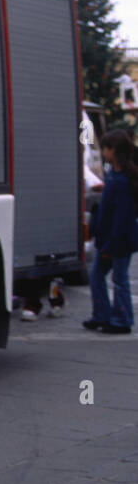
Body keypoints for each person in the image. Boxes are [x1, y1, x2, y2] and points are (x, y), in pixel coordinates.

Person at [83, 128, 138, 334]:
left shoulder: (122, 180)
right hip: (109, 238)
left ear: (114, 150)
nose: (103, 152)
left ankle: (121, 320)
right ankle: (102, 315)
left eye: (105, 148)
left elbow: (121, 217)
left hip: (118, 240)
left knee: (118, 279)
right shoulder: (115, 176)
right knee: (98, 276)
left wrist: (110, 244)